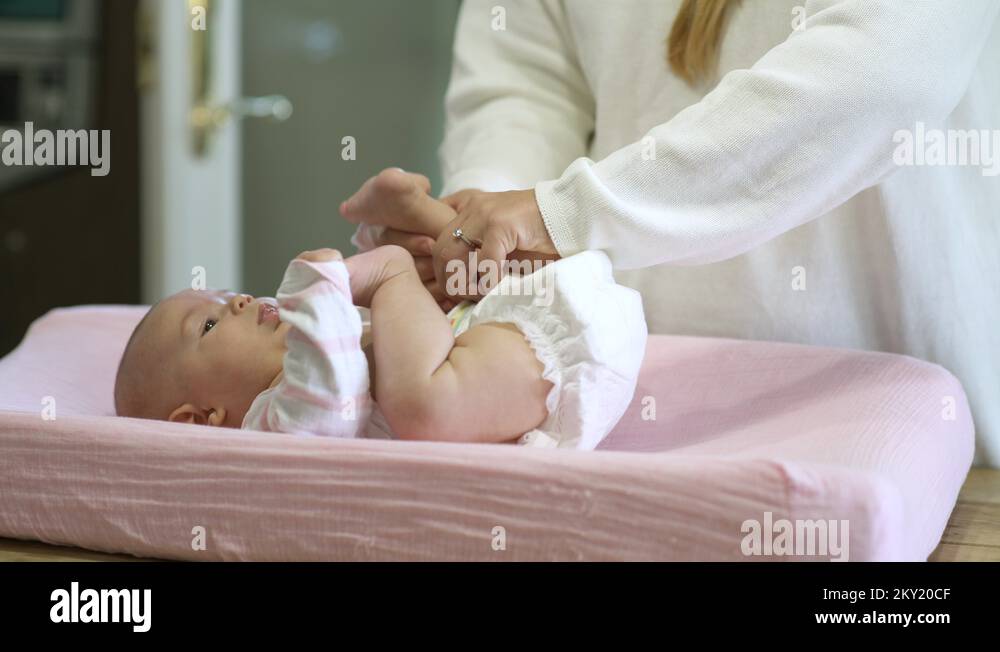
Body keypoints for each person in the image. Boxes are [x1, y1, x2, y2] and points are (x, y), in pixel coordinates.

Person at [348, 0, 1000, 465]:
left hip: (909, 432)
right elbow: (524, 85)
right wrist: (482, 227)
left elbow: (881, 73)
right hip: (632, 423)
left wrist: (558, 216)